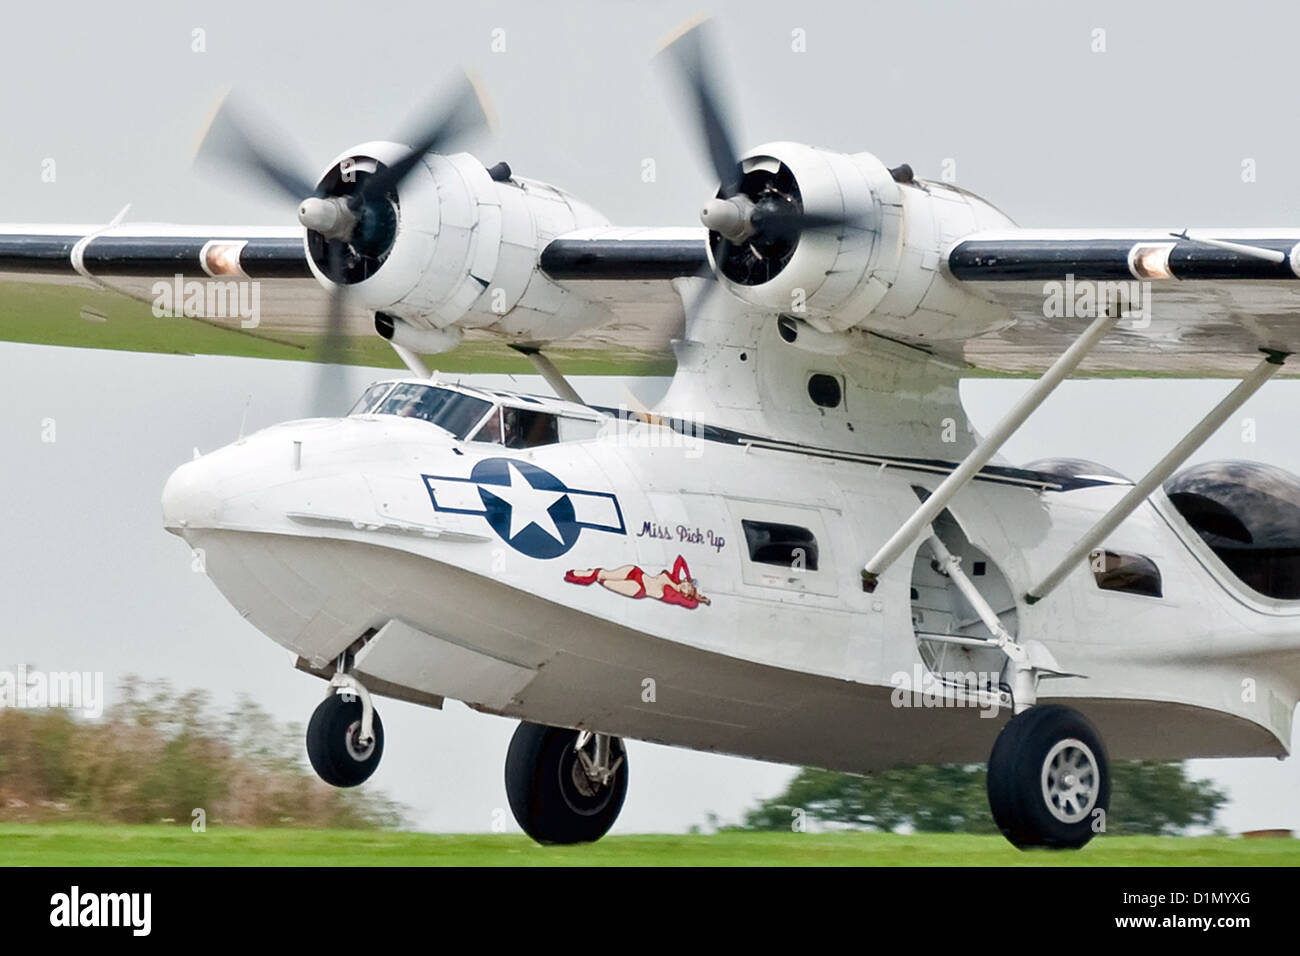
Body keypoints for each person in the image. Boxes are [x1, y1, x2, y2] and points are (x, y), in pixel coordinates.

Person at [564, 555, 710, 609]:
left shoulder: (675, 596)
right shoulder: (675, 578)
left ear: (685, 594)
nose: (688, 585)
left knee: (604, 580)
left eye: (689, 588)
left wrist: (699, 598)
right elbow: (680, 560)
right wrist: (689, 576)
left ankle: (582, 576)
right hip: (637, 573)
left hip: (639, 588)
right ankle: (580, 573)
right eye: (690, 585)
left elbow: (691, 603)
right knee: (605, 573)